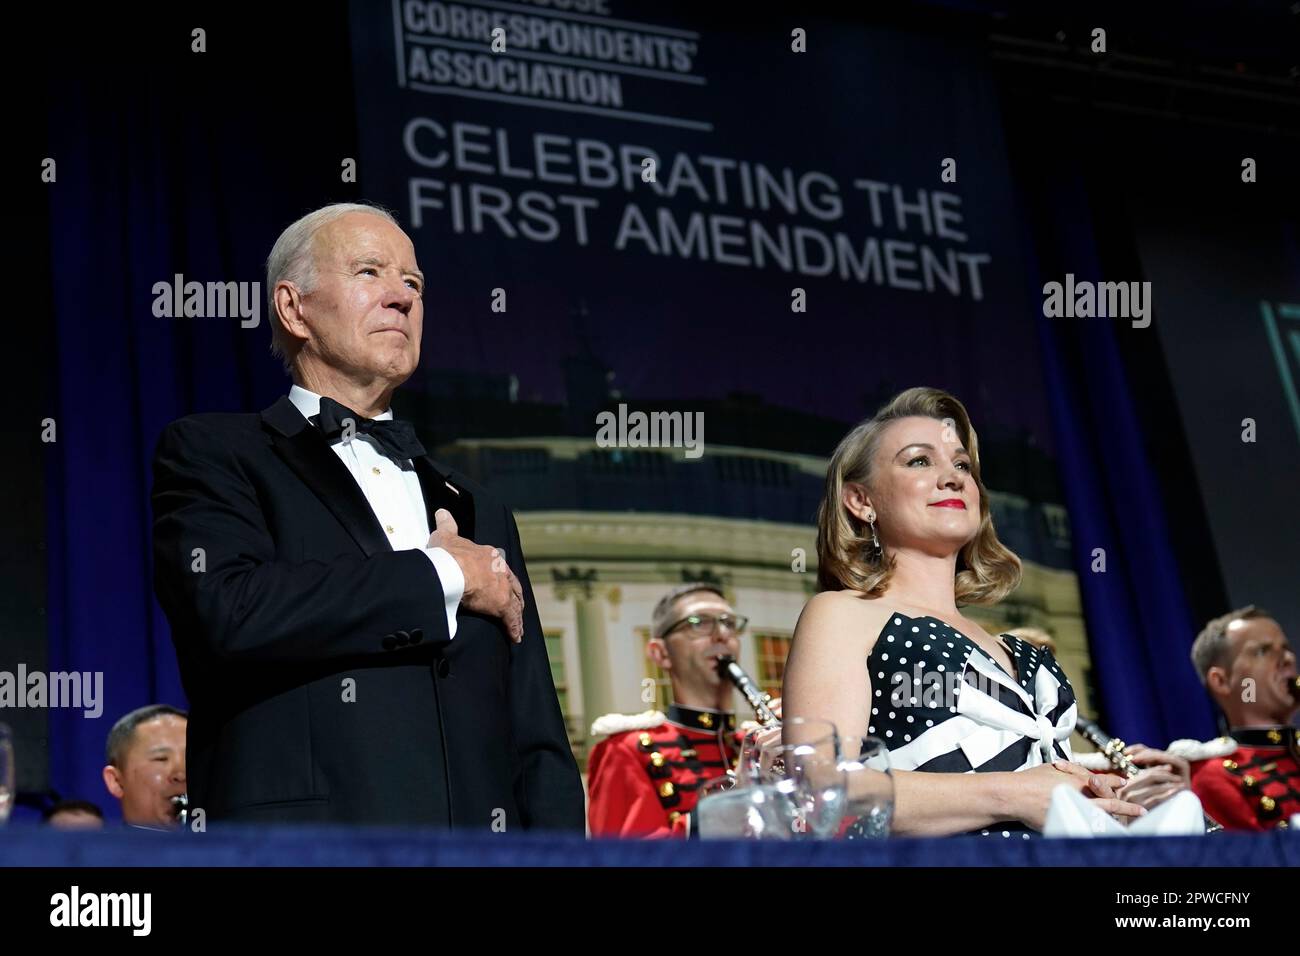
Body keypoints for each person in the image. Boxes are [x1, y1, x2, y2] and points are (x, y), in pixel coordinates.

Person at [151, 202, 583, 829]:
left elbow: (535, 730)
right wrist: (441, 578)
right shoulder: (215, 452)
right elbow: (228, 610)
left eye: (413, 283)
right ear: (293, 308)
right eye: (369, 272)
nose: (401, 298)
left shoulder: (479, 507)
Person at [783, 386, 1145, 837]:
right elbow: (822, 788)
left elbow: (1048, 791)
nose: (952, 477)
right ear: (862, 501)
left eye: (962, 465)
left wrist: (1114, 799)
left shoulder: (1013, 647)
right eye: (919, 460)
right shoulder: (843, 614)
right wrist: (1013, 794)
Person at [586, 583, 753, 837]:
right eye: (699, 623)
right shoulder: (626, 749)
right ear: (660, 653)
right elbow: (624, 859)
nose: (721, 634)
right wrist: (723, 807)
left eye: (728, 623)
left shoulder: (754, 747)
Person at [101, 704, 187, 829]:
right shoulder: (90, 848)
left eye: (191, 759)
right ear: (116, 781)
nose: (181, 775)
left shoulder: (221, 845)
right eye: (161, 759)